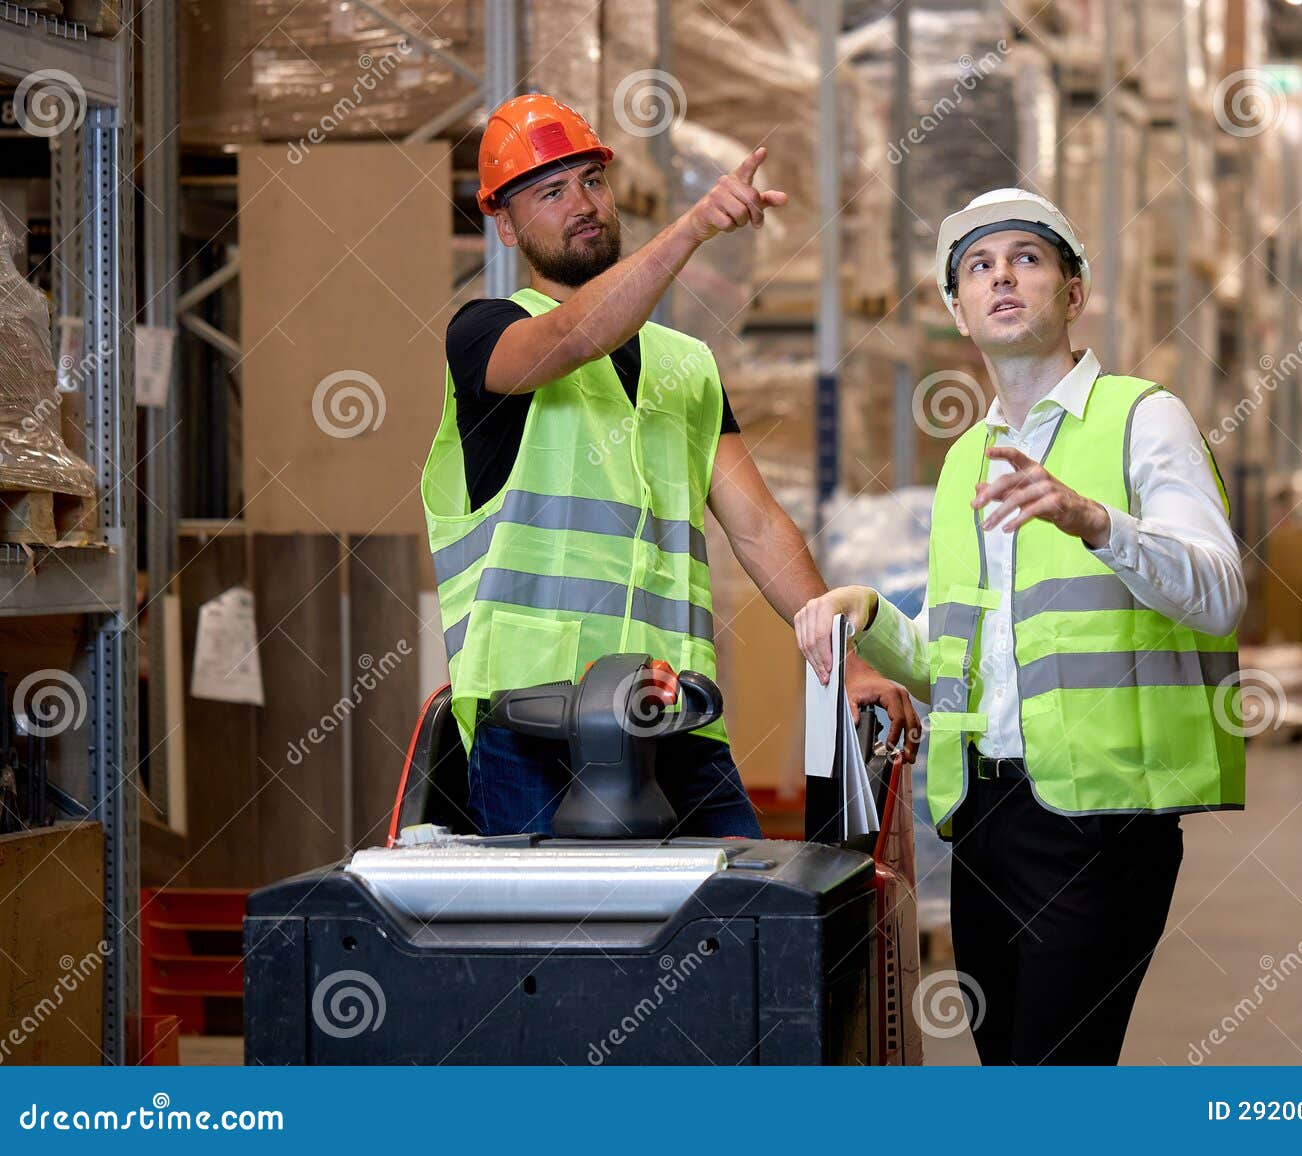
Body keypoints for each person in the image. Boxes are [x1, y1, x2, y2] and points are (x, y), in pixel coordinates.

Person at [794, 188, 1246, 1064]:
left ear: (1074, 294)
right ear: (960, 311)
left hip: (1102, 819)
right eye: (978, 267)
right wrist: (873, 616)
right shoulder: (970, 454)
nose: (1002, 276)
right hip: (985, 817)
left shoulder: (1142, 419)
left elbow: (1221, 593)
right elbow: (952, 657)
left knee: (1056, 1073)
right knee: (1009, 1071)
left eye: (1027, 258)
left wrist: (1096, 522)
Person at [422, 94, 918, 838]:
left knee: (746, 924)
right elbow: (577, 335)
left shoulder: (684, 366)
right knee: (560, 947)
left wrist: (846, 664)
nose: (582, 204)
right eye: (549, 192)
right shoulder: (486, 334)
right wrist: (693, 228)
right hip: (532, 722)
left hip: (672, 711)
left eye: (592, 181)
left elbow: (757, 528)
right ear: (507, 223)